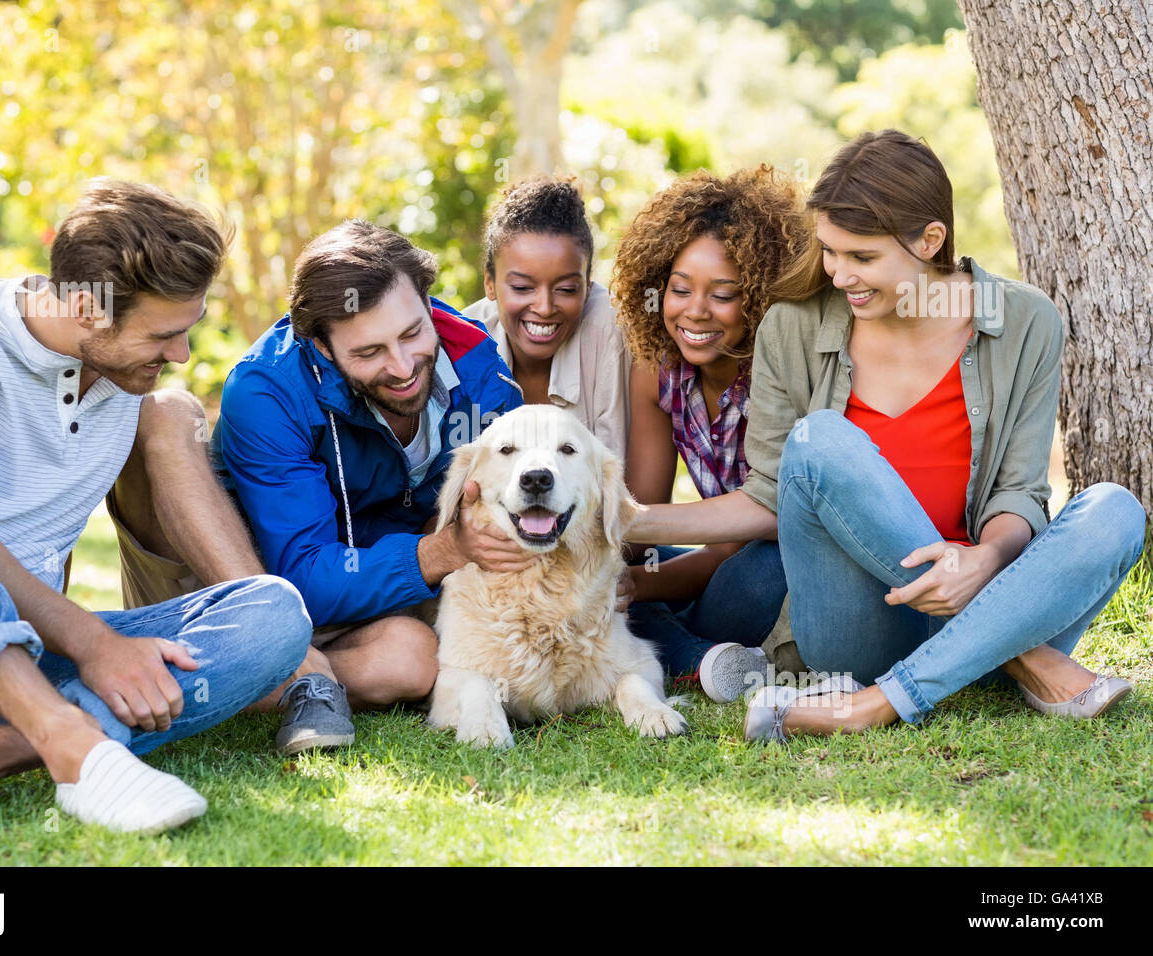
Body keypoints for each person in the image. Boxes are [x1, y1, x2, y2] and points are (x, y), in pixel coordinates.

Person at [627, 129, 1145, 741]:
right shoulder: (792, 329)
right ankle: (1019, 656)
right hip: (865, 622)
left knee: (1116, 509)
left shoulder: (1025, 321)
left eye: (862, 258)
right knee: (819, 440)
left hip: (992, 588)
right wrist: (623, 521)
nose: (839, 274)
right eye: (829, 252)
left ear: (931, 240)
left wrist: (982, 560)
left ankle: (879, 704)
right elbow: (768, 496)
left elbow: (1019, 493)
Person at [0, 179, 312, 832]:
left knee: (273, 613)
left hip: (22, 676)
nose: (180, 355)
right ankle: (69, 740)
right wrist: (92, 640)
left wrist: (96, 646)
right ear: (89, 312)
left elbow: (50, 543)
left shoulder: (123, 384)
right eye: (163, 335)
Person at [108, 220, 530, 756]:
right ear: (321, 347)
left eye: (411, 334)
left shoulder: (479, 372)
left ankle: (252, 683)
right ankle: (230, 661)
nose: (402, 367)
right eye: (370, 351)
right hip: (219, 590)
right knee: (168, 410)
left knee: (411, 660)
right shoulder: (268, 387)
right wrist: (440, 550)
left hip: (357, 615)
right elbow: (302, 573)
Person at [611, 167, 805, 702]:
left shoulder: (779, 375)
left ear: (760, 300)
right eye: (679, 289)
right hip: (710, 561)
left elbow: (742, 537)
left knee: (763, 569)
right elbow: (642, 522)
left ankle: (679, 645)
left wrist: (639, 588)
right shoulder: (657, 370)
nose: (695, 312)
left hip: (773, 566)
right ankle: (706, 657)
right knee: (619, 572)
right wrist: (617, 573)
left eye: (723, 294)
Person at [461, 176, 630, 458]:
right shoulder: (463, 343)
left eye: (566, 289)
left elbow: (634, 493)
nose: (544, 307)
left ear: (588, 286)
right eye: (522, 288)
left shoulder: (615, 334)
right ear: (489, 283)